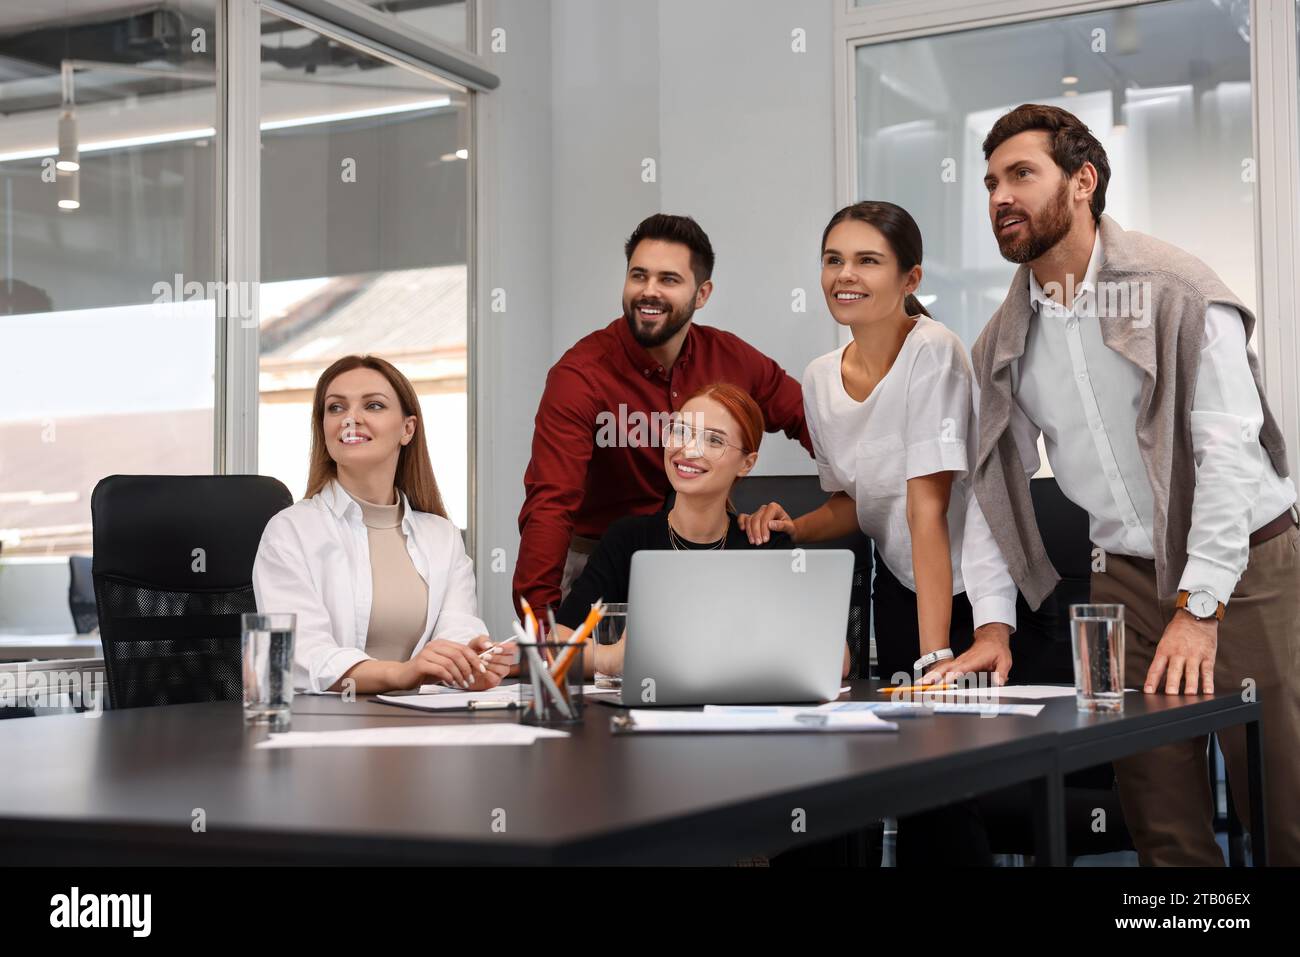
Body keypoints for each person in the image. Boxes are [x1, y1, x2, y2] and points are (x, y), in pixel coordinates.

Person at [951, 103, 1299, 865]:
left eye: (1020, 174)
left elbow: (1229, 452)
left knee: (1281, 803)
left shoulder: (1176, 290)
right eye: (988, 182)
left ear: (1083, 182)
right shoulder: (1003, 339)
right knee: (1161, 821)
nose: (999, 197)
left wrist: (1200, 603)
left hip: (1246, 564)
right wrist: (993, 624)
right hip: (1125, 583)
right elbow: (991, 483)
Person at [741, 201, 1014, 866]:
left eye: (868, 260)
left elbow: (927, 504)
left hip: (972, 591)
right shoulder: (818, 378)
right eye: (834, 259)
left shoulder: (935, 352)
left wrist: (931, 661)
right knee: (911, 782)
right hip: (903, 584)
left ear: (910, 277)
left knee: (946, 784)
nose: (845, 274)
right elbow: (857, 503)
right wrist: (795, 527)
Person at [514, 213, 813, 620]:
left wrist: (831, 513)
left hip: (707, 557)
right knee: (598, 674)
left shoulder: (732, 359)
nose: (648, 291)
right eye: (638, 276)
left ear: (702, 293)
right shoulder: (581, 375)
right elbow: (551, 503)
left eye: (668, 280)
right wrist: (540, 628)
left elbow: (815, 424)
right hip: (597, 566)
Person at [551, 382, 849, 679]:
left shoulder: (765, 545)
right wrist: (608, 658)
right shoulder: (628, 540)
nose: (689, 450)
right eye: (681, 431)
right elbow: (553, 645)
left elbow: (838, 660)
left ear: (746, 464)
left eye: (714, 441)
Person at [252, 355, 511, 695]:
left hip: (422, 730)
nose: (350, 419)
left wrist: (468, 665)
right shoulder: (290, 531)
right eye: (335, 408)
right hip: (327, 730)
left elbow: (458, 630)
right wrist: (403, 674)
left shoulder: (441, 536)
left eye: (373, 405)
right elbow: (303, 658)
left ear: (408, 429)